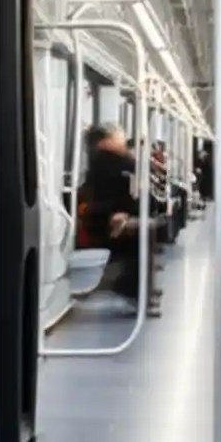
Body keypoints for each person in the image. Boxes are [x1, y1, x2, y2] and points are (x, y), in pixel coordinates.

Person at [81, 124, 162, 312]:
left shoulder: (113, 162)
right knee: (143, 232)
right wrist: (115, 214)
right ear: (106, 142)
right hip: (106, 218)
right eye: (117, 137)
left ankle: (139, 287)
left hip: (113, 214)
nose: (122, 140)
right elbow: (104, 198)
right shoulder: (109, 163)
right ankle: (133, 288)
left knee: (146, 229)